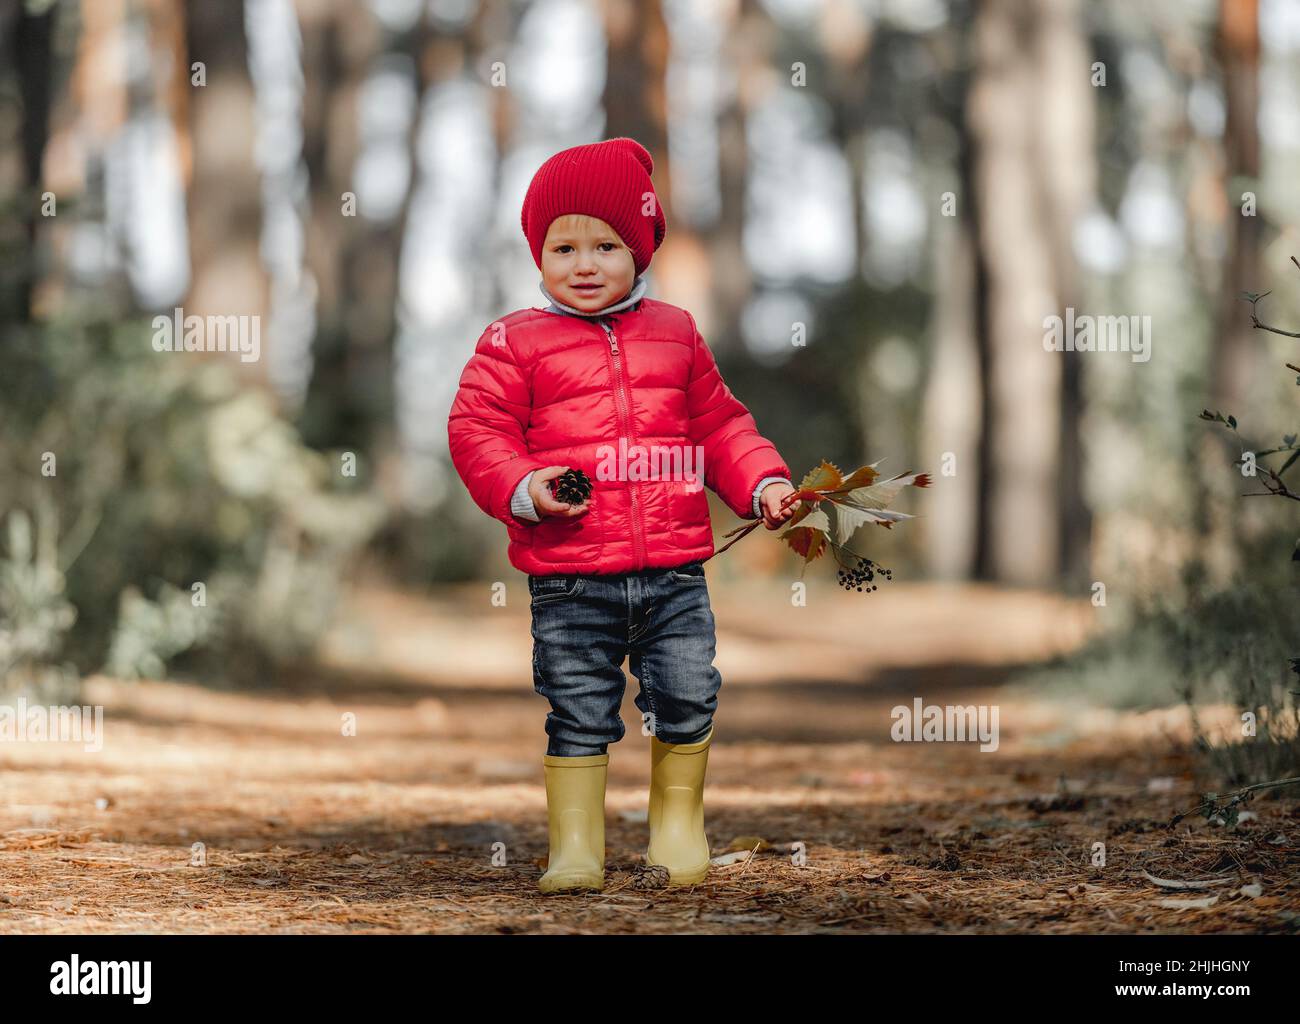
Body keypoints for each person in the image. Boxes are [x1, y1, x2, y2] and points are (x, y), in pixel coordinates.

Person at [447, 137, 799, 892]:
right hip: (572, 577)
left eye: (605, 245)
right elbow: (477, 432)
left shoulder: (675, 334)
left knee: (686, 692)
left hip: (673, 572)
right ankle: (577, 848)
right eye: (563, 245)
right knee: (578, 707)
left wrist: (763, 483)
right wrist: (525, 485)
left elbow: (719, 427)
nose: (584, 262)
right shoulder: (514, 343)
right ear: (537, 254)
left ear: (639, 251)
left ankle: (677, 827)